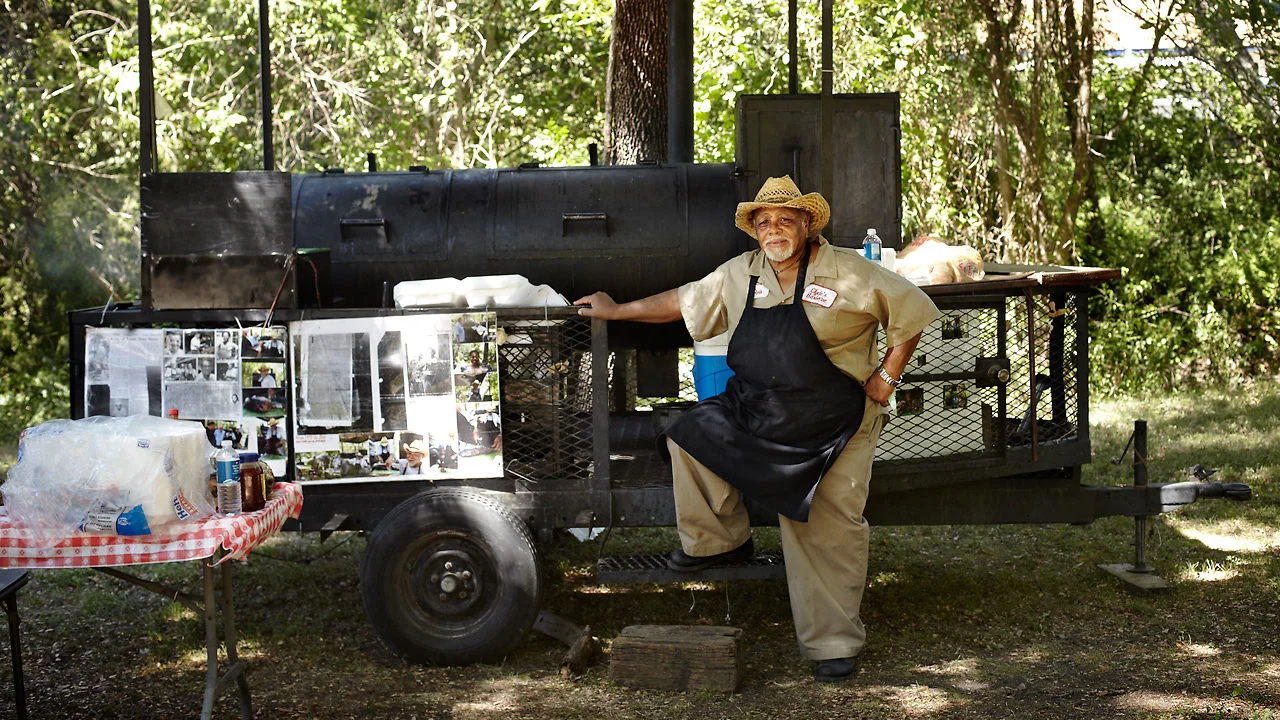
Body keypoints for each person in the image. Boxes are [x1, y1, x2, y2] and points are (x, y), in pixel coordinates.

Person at [574, 176, 940, 684]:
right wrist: (617, 310)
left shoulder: (848, 270)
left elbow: (912, 310)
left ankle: (832, 643)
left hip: (831, 420)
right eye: (764, 222)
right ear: (754, 230)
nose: (774, 230)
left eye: (785, 220)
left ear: (806, 224)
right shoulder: (743, 273)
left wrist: (886, 376)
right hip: (758, 409)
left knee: (825, 524)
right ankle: (718, 540)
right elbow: (684, 301)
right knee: (692, 434)